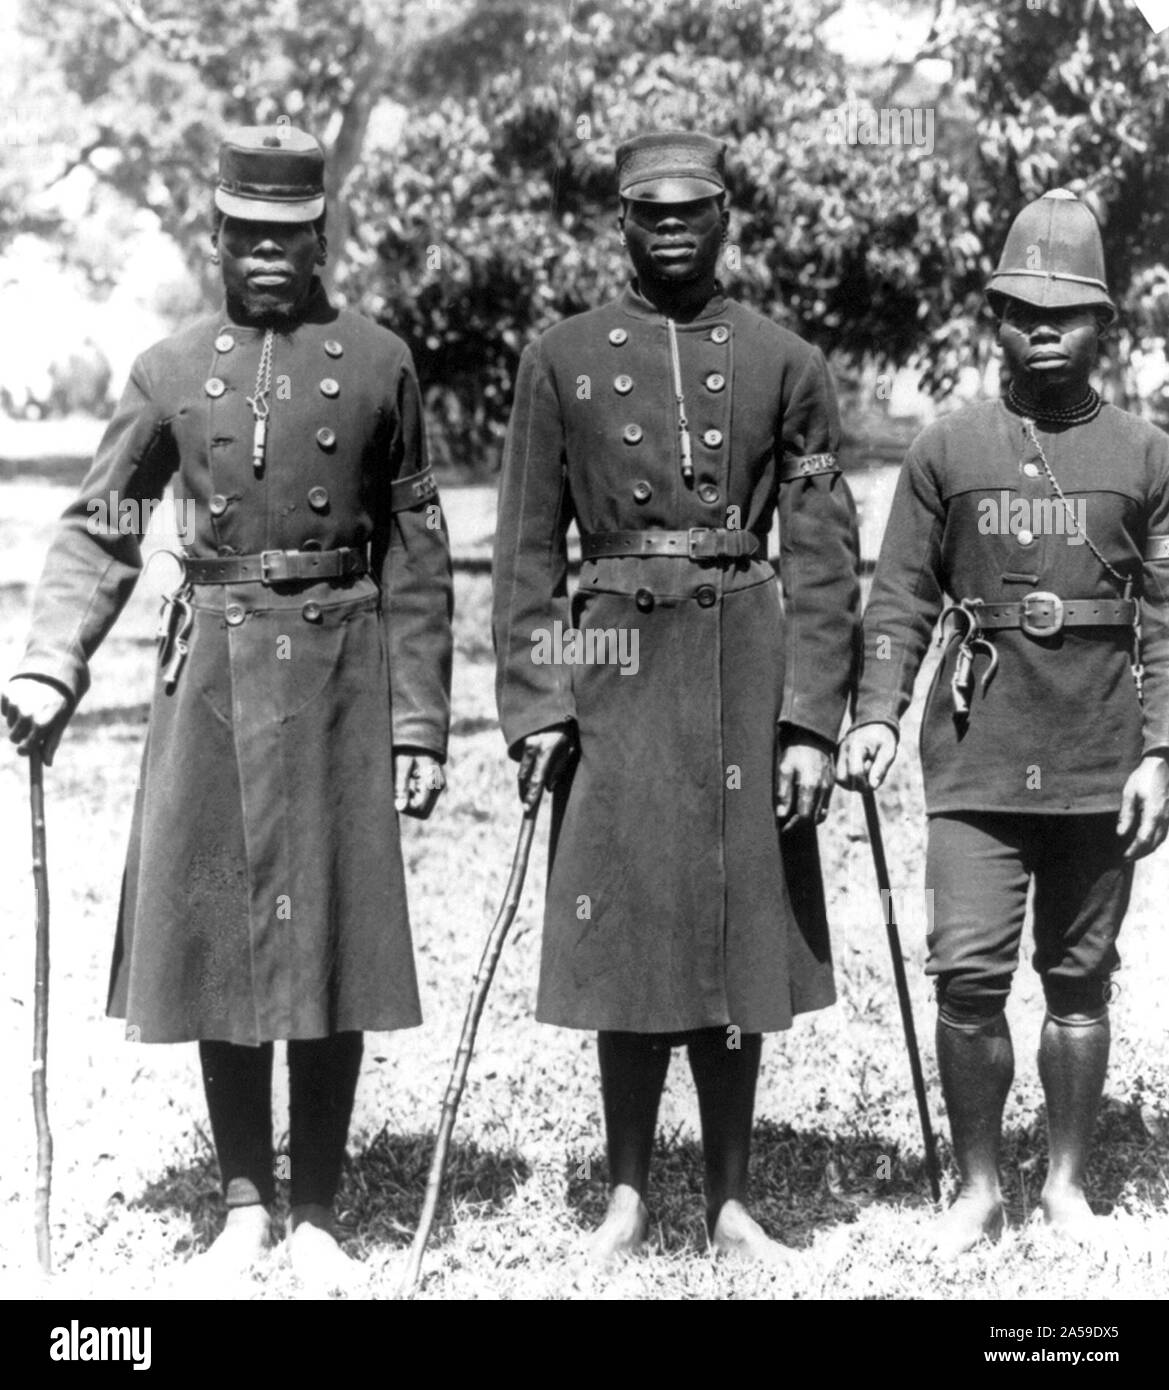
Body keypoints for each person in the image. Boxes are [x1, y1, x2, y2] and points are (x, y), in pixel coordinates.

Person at [1, 125, 453, 1292]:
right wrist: (53, 661)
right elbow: (101, 522)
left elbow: (415, 546)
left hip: (341, 672)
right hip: (210, 680)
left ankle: (317, 1209)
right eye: (246, 235)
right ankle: (245, 1200)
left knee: (332, 939)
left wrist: (418, 720)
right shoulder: (169, 368)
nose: (266, 255)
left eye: (288, 237)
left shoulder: (378, 361)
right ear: (215, 236)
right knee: (221, 946)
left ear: (319, 238)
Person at [492, 131, 860, 1267]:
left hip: (741, 661)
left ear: (723, 219)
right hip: (613, 664)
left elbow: (825, 548)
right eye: (647, 214)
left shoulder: (784, 360)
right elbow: (522, 548)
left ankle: (732, 1199)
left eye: (689, 212)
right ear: (620, 224)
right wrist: (540, 701)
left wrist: (809, 718)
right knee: (627, 931)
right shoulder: (560, 356)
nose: (669, 230)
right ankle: (624, 1194)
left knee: (737, 929)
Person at [837, 189, 1169, 1259]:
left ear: (1101, 326)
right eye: (1020, 305)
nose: (1040, 325)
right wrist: (876, 714)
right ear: (993, 315)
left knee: (1078, 974)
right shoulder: (946, 448)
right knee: (967, 972)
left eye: (1064, 310)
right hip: (976, 748)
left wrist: (1160, 751)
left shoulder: (1146, 455)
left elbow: (1165, 617)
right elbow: (897, 597)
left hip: (1097, 752)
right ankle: (979, 1188)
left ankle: (1065, 1185)